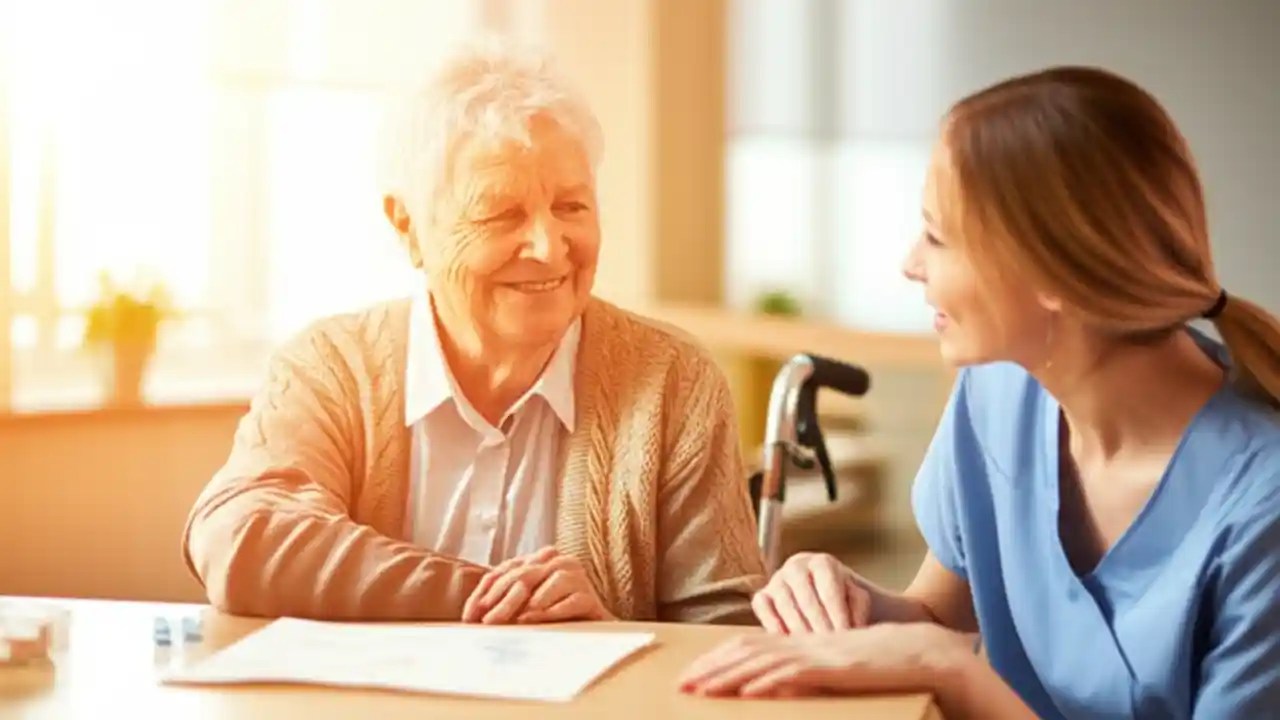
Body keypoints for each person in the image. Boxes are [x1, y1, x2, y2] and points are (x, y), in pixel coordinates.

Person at [678, 66, 1280, 718]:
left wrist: (952, 672)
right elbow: (936, 616)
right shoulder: (999, 393)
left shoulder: (1261, 507)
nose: (911, 264)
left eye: (938, 237)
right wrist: (846, 601)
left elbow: (941, 655)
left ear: (1052, 273)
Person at [181, 40, 765, 625]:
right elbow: (243, 539)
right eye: (502, 214)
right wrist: (499, 604)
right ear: (408, 227)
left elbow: (725, 637)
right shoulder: (332, 367)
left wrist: (603, 632)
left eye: (571, 207)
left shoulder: (674, 383)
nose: (548, 248)